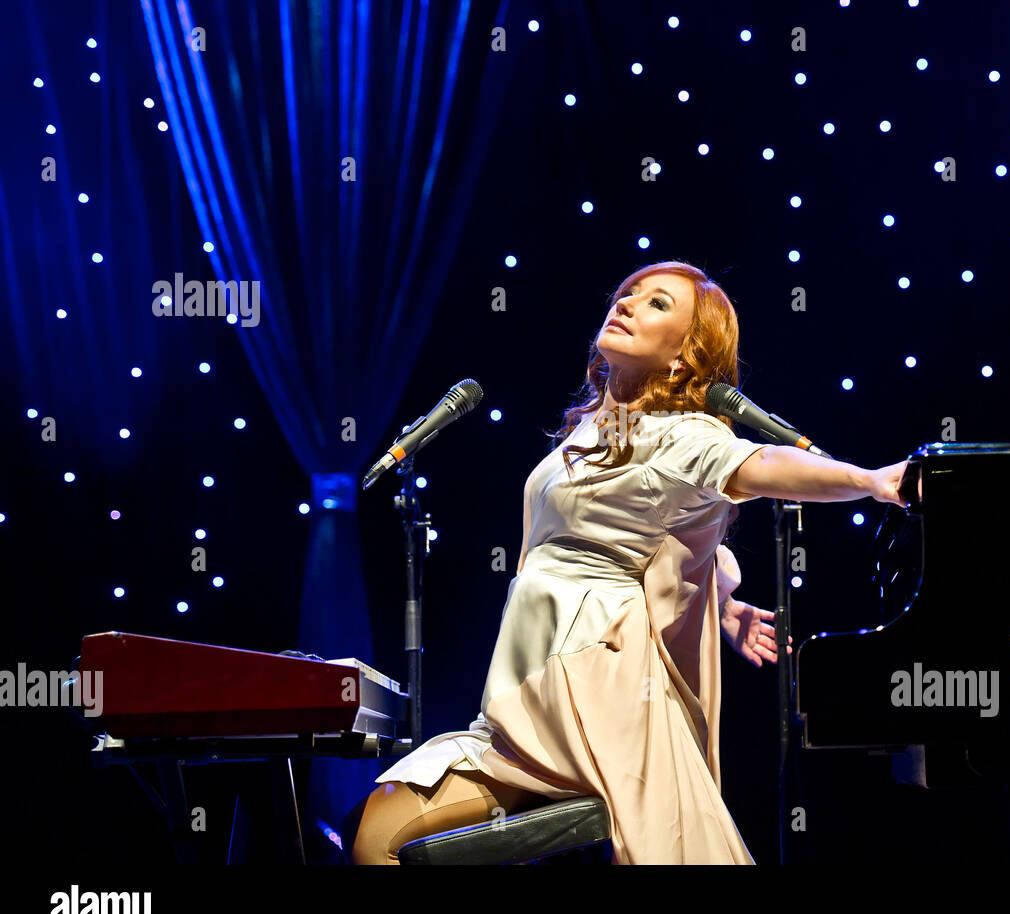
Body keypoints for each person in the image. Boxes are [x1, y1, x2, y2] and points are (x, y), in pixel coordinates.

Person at [348, 261, 911, 864]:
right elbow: (666, 533)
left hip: (597, 688)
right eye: (626, 294)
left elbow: (766, 467)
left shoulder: (685, 434)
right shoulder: (595, 425)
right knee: (374, 832)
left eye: (657, 303)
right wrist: (721, 606)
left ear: (681, 355)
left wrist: (869, 480)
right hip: (528, 693)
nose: (627, 304)